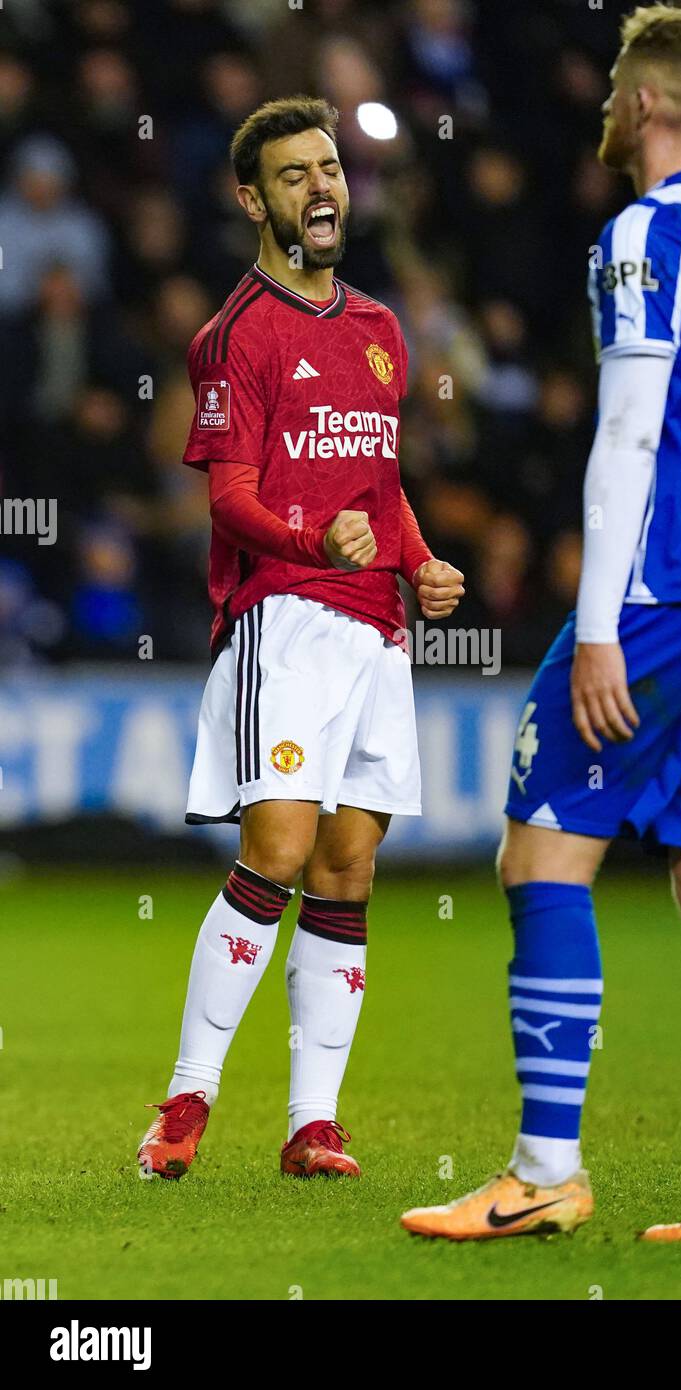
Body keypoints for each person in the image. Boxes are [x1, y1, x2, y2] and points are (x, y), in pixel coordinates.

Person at [402, 3, 681, 1242]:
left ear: (641, 105)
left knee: (539, 853)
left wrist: (597, 628)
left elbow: (628, 433)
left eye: (612, 96)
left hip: (660, 597)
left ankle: (541, 1169)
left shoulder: (643, 235)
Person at [137, 96, 463, 1181]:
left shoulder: (378, 329)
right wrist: (309, 535)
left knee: (347, 867)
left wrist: (416, 560)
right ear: (251, 198)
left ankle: (312, 1123)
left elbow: (383, 482)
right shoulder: (235, 336)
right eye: (293, 175)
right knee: (274, 848)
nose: (321, 187)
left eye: (329, 168)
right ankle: (187, 1099)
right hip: (281, 617)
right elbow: (227, 498)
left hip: (376, 630)